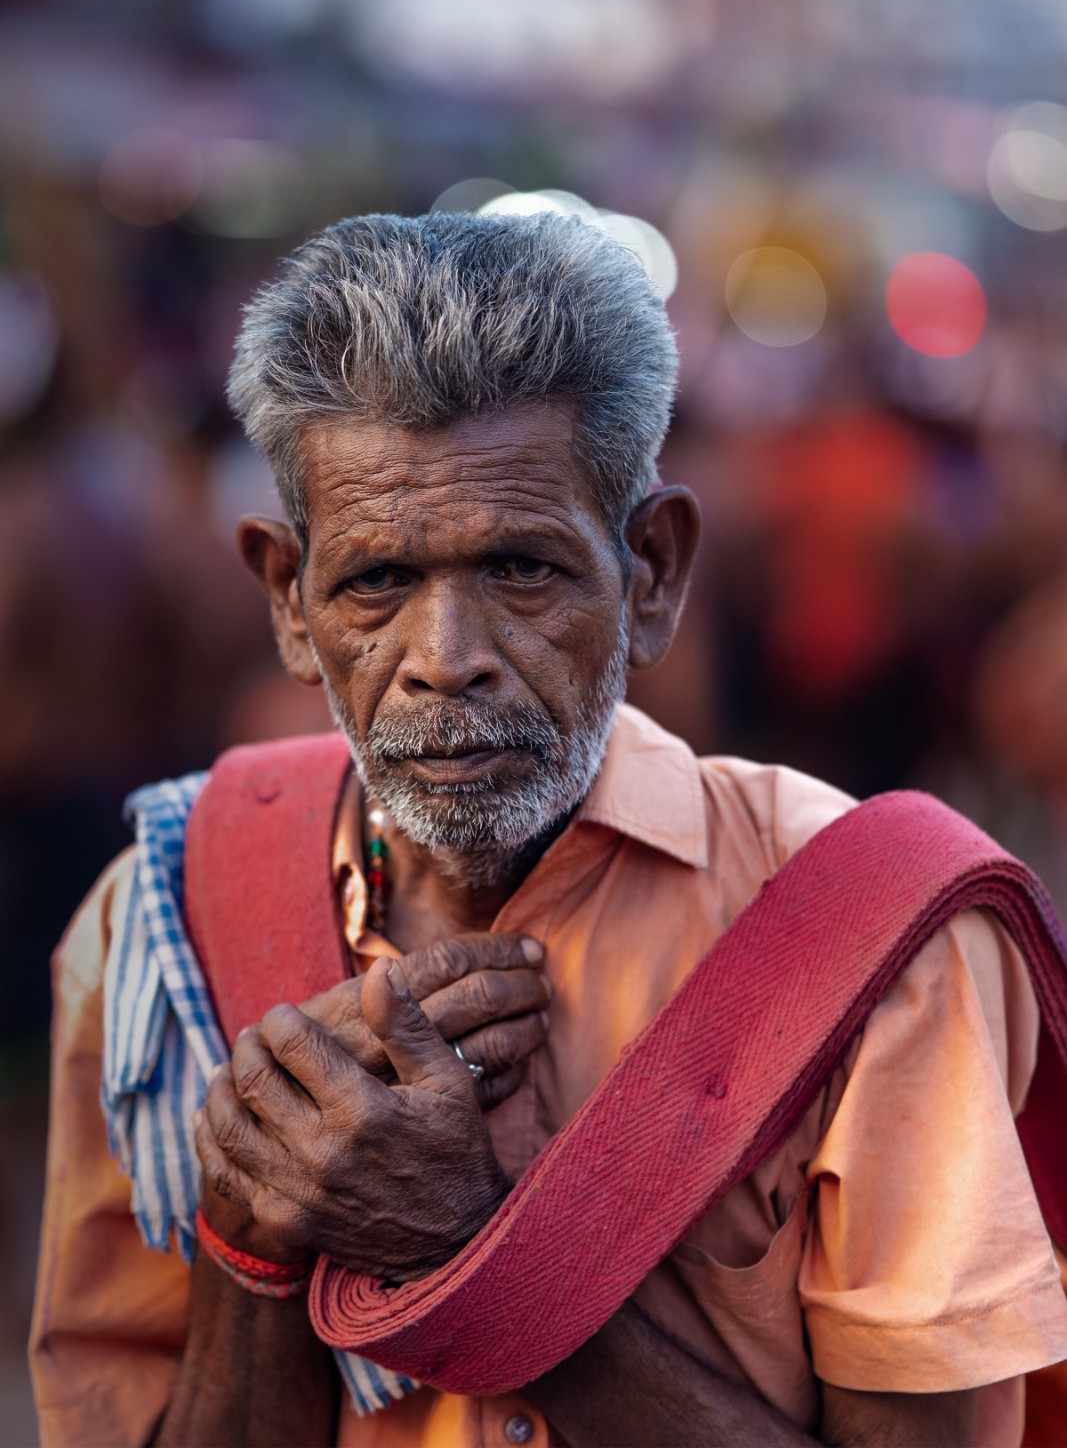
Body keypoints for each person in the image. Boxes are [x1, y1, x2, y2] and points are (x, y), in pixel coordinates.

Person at [31, 212, 1067, 1447]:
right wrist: (252, 1242)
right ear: (288, 604)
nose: (446, 661)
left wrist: (469, 1242)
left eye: (521, 570)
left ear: (651, 573)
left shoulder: (877, 944)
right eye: (377, 582)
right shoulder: (165, 918)